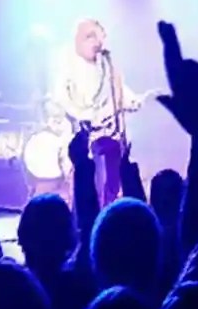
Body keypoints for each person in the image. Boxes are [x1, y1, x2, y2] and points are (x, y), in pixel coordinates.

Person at [51, 19, 145, 206]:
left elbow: (119, 91)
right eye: (89, 37)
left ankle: (110, 206)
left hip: (109, 133)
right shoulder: (67, 67)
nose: (96, 42)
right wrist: (85, 117)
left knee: (113, 174)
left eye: (99, 37)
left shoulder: (107, 66)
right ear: (78, 40)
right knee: (86, 179)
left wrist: (133, 100)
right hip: (80, 133)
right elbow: (61, 98)